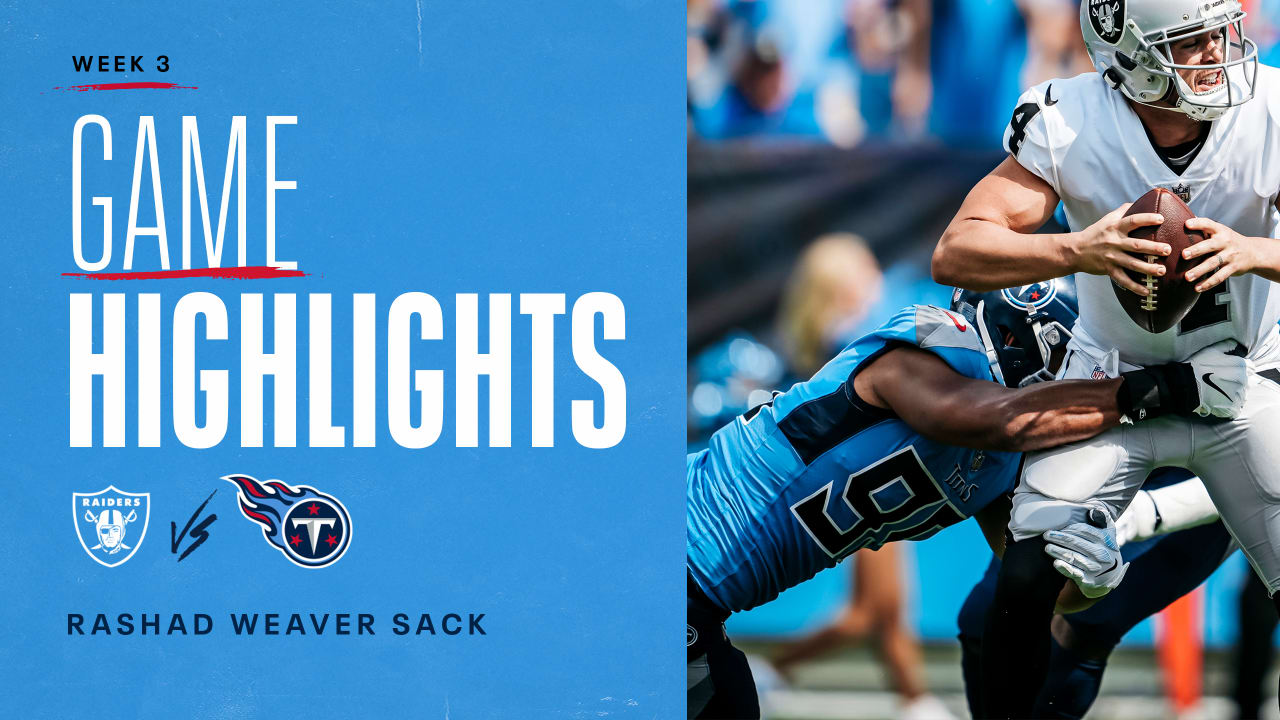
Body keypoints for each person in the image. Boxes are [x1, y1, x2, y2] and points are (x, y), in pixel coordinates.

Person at [928, 0, 1280, 714]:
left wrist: (1256, 252)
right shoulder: (1071, 119)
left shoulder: (1268, 112)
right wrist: (1076, 249)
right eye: (1192, 40)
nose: (1218, 51)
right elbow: (954, 251)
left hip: (1243, 388)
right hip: (1113, 387)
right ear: (1130, 54)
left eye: (1220, 33)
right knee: (1023, 584)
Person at [686, 278, 1243, 719]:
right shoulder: (925, 350)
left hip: (701, 596)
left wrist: (1091, 576)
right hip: (672, 551)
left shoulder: (1006, 454)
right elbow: (985, 418)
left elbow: (1033, 584)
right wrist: (1158, 390)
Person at [957, 472, 1234, 719]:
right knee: (986, 613)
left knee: (1084, 627)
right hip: (1111, 447)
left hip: (1207, 470)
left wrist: (1141, 516)